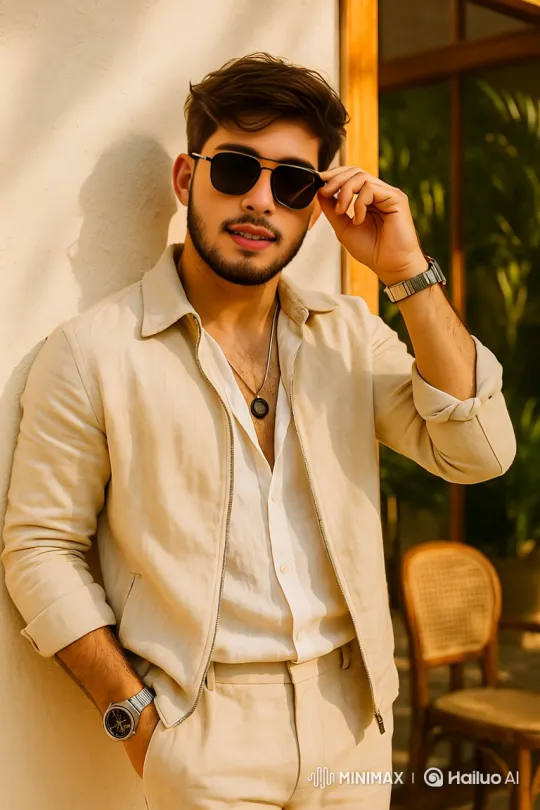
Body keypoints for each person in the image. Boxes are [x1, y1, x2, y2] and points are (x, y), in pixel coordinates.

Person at [1, 52, 516, 809]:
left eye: (293, 182)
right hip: (201, 734)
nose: (261, 201)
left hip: (353, 728)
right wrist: (139, 724)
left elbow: (479, 452)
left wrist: (405, 272)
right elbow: (40, 550)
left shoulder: (348, 333)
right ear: (187, 180)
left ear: (315, 204)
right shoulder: (91, 353)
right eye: (236, 169)